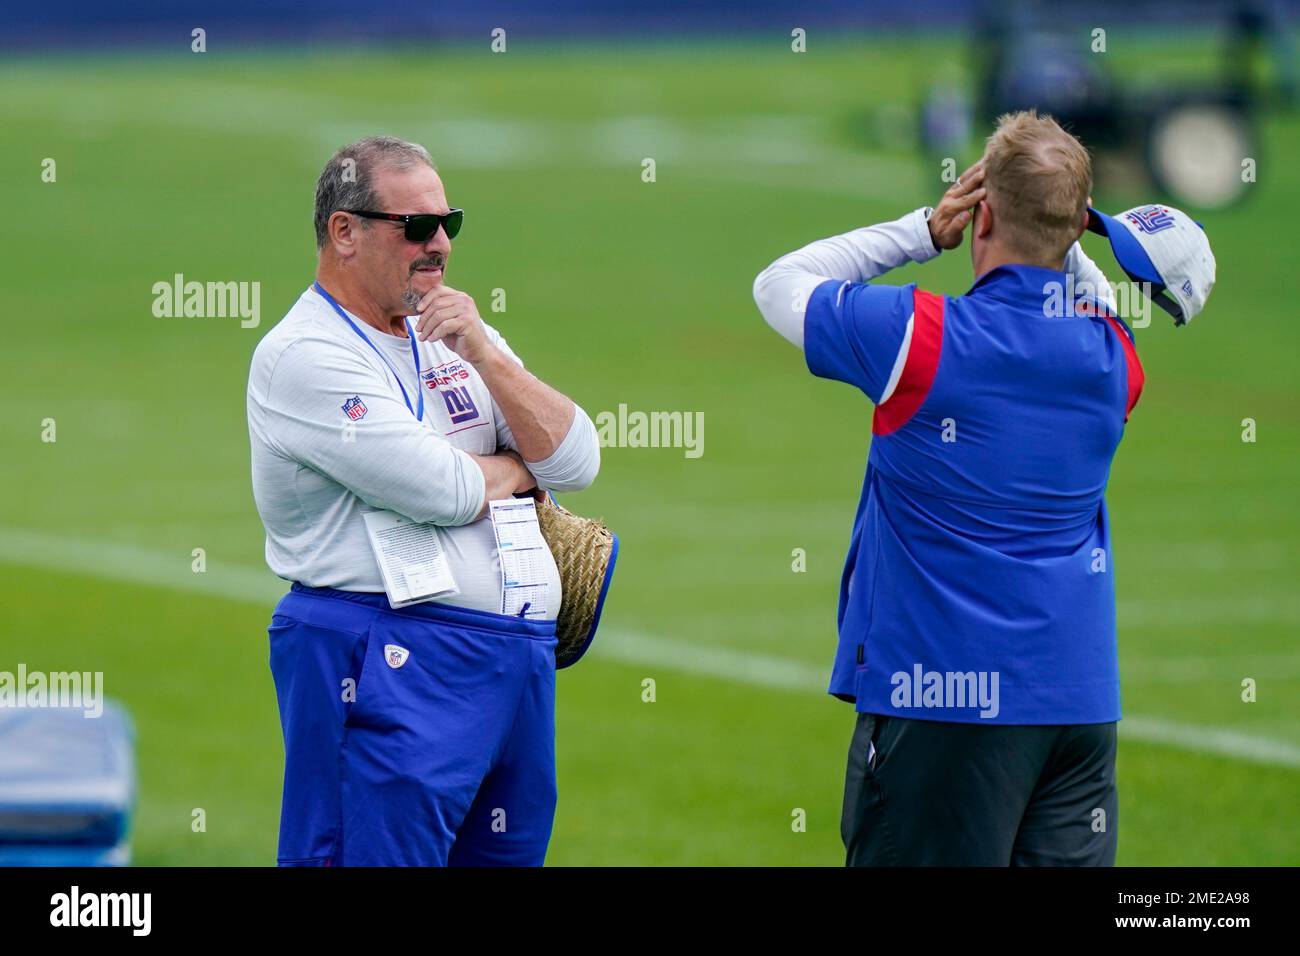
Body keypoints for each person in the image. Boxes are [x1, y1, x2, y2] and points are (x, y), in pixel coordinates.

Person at [752, 110, 1215, 865]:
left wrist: (922, 230)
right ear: (1074, 231)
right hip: (1077, 705)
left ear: (981, 211)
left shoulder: (921, 337)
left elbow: (779, 285)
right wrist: (1068, 224)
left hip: (942, 701)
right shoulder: (1115, 359)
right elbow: (1087, 287)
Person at [247, 135, 601, 866]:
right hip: (386, 653)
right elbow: (444, 491)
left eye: (449, 223)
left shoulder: (453, 334)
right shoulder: (305, 355)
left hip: (513, 669)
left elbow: (577, 457)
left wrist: (487, 355)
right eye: (415, 226)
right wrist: (518, 469)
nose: (438, 243)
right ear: (344, 231)